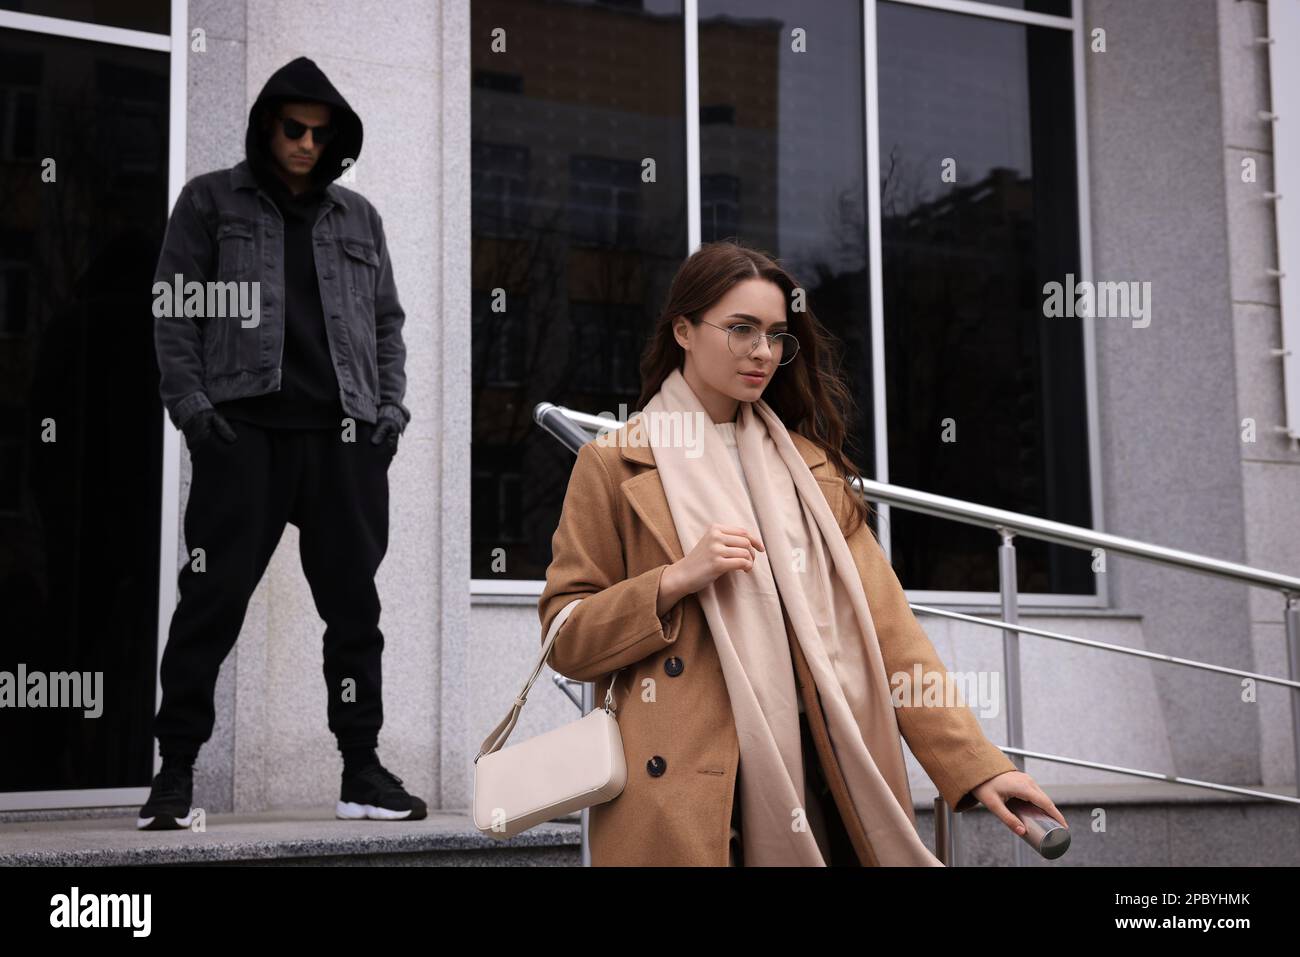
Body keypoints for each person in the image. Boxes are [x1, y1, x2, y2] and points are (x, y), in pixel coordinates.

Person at [538, 240, 1067, 865]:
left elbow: (891, 633)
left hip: (821, 771)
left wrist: (976, 765)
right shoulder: (615, 462)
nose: (762, 352)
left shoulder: (808, 469)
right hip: (684, 793)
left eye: (775, 335)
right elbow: (565, 637)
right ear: (683, 329)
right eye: (740, 329)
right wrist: (673, 581)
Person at [140, 56, 423, 829]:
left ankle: (361, 771)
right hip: (246, 432)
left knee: (354, 613)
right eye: (292, 128)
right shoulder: (209, 201)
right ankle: (175, 775)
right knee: (211, 602)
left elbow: (387, 323)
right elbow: (173, 307)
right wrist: (194, 410)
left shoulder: (359, 218)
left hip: (344, 438)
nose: (304, 143)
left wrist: (388, 416)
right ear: (268, 125)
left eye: (319, 133)